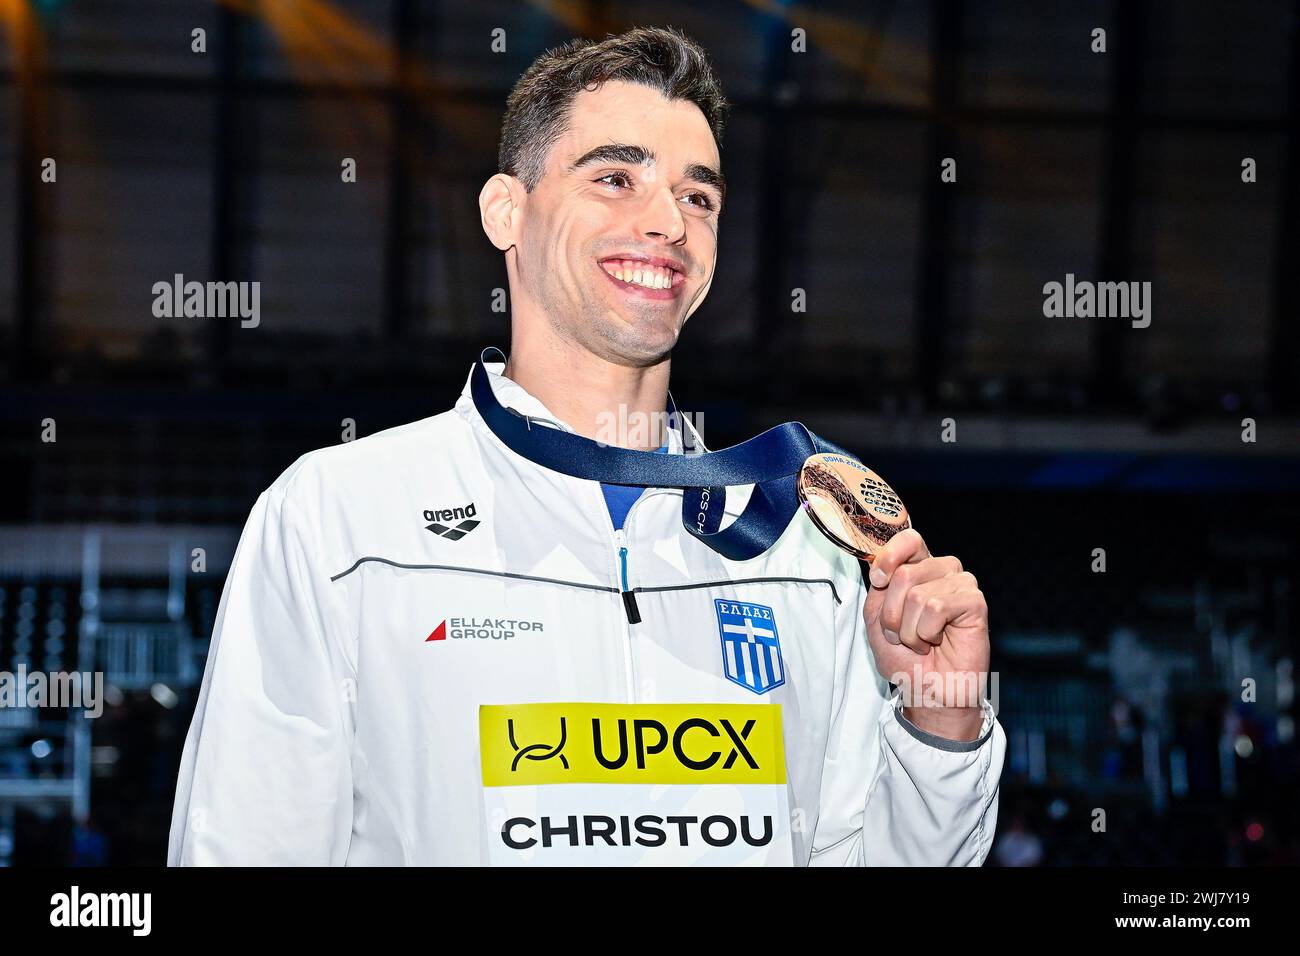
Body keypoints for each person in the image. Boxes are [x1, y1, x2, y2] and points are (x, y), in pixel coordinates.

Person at [168, 26, 1004, 866]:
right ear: (507, 211)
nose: (666, 223)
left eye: (698, 197)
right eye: (615, 178)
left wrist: (940, 726)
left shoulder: (799, 547)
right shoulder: (342, 521)